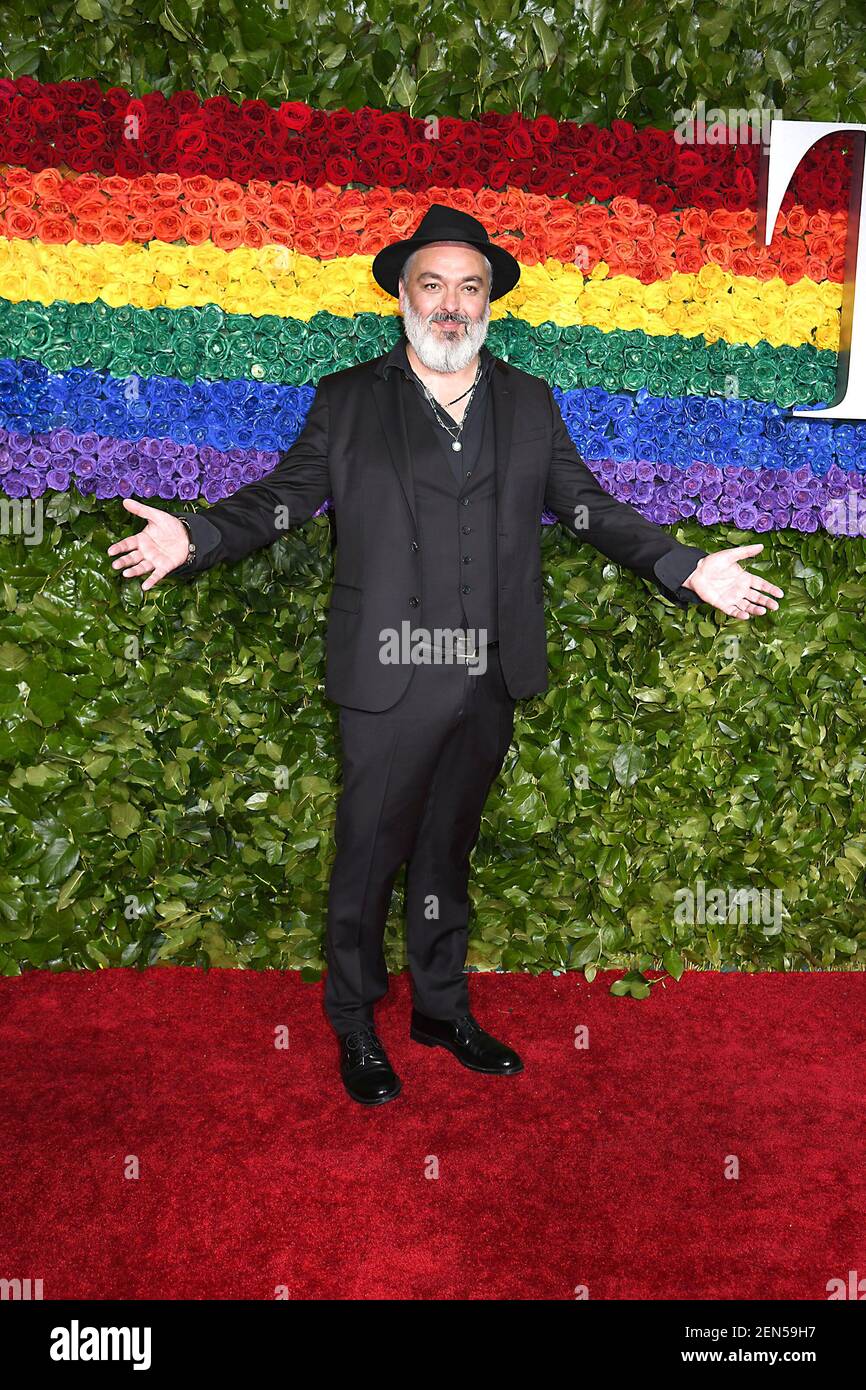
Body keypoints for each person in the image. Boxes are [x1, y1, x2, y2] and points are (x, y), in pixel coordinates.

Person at [108, 203, 784, 1106]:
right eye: (434, 284)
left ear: (490, 302)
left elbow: (587, 507)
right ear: (403, 296)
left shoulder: (529, 401)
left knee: (445, 855)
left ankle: (439, 1008)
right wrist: (195, 537)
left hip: (488, 675)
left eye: (471, 287)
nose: (452, 304)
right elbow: (284, 498)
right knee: (367, 859)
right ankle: (353, 1022)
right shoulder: (349, 400)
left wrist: (686, 565)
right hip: (389, 674)